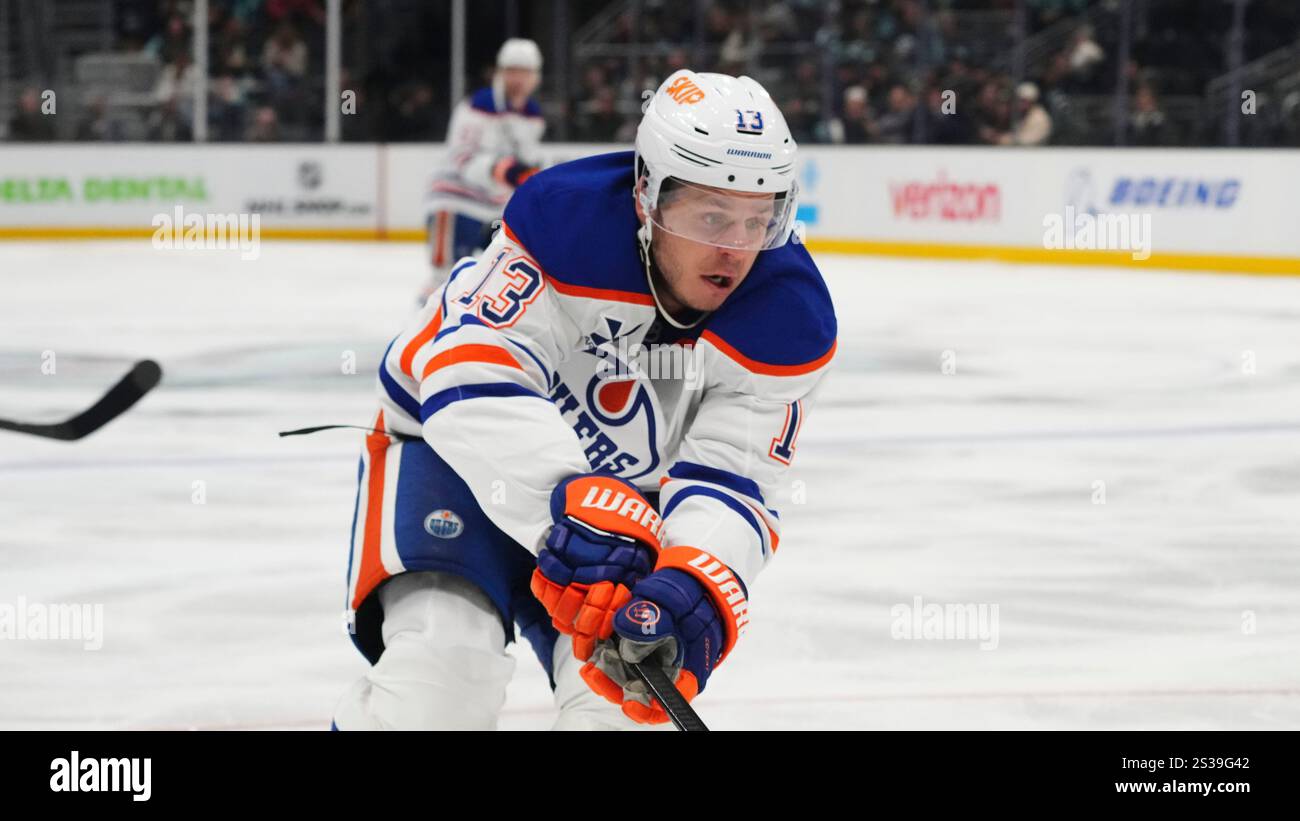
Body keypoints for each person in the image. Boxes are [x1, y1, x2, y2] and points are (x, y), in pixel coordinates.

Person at [334, 69, 836, 730]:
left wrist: (687, 586)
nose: (734, 250)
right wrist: (565, 495)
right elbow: (462, 372)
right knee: (440, 678)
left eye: (756, 221)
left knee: (617, 716)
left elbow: (734, 477)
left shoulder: (789, 315)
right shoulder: (562, 222)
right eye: (713, 216)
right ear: (647, 196)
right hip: (449, 461)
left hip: (625, 511)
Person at [421, 38, 545, 301]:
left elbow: (526, 160)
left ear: (536, 76)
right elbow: (461, 158)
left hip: (496, 209)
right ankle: (428, 334)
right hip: (456, 203)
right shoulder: (478, 105)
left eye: (525, 72)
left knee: (499, 281)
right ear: (500, 73)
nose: (518, 79)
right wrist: (504, 170)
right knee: (444, 282)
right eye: (512, 71)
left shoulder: (533, 115)